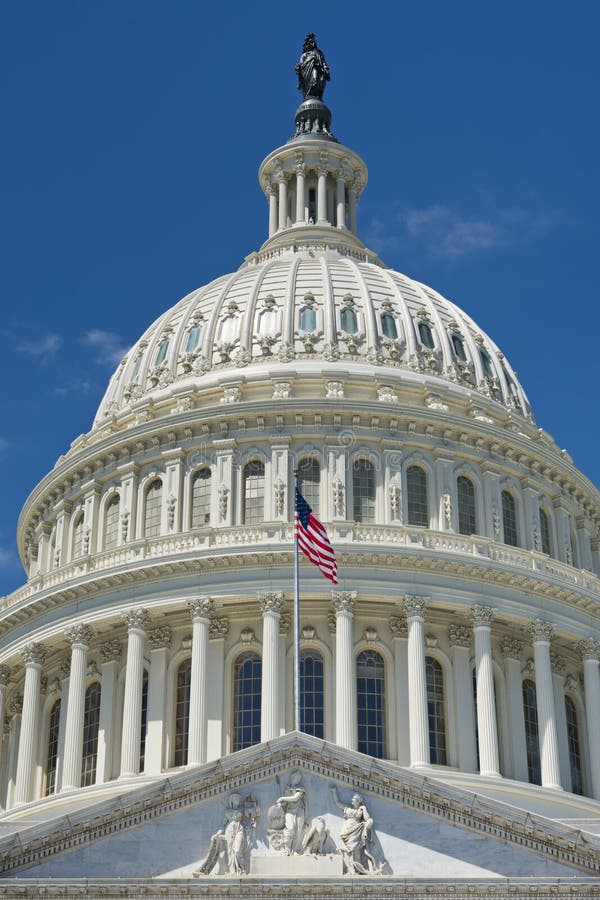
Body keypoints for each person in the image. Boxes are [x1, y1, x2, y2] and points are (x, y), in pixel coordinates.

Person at [329, 786, 377, 874]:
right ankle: (349, 869)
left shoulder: (361, 810)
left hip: (356, 832)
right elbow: (338, 803)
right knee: (346, 850)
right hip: (346, 831)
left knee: (355, 850)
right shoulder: (348, 809)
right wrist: (334, 792)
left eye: (354, 799)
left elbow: (368, 819)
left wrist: (366, 813)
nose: (352, 800)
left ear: (358, 801)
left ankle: (357, 870)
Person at [295, 34, 330, 100]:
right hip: (307, 72)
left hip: (318, 69)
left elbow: (324, 62)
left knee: (316, 81)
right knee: (311, 82)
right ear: (307, 44)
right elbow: (301, 64)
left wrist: (326, 69)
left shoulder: (319, 53)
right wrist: (298, 68)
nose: (313, 43)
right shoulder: (305, 55)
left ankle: (316, 94)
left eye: (313, 42)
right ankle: (309, 94)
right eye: (311, 42)